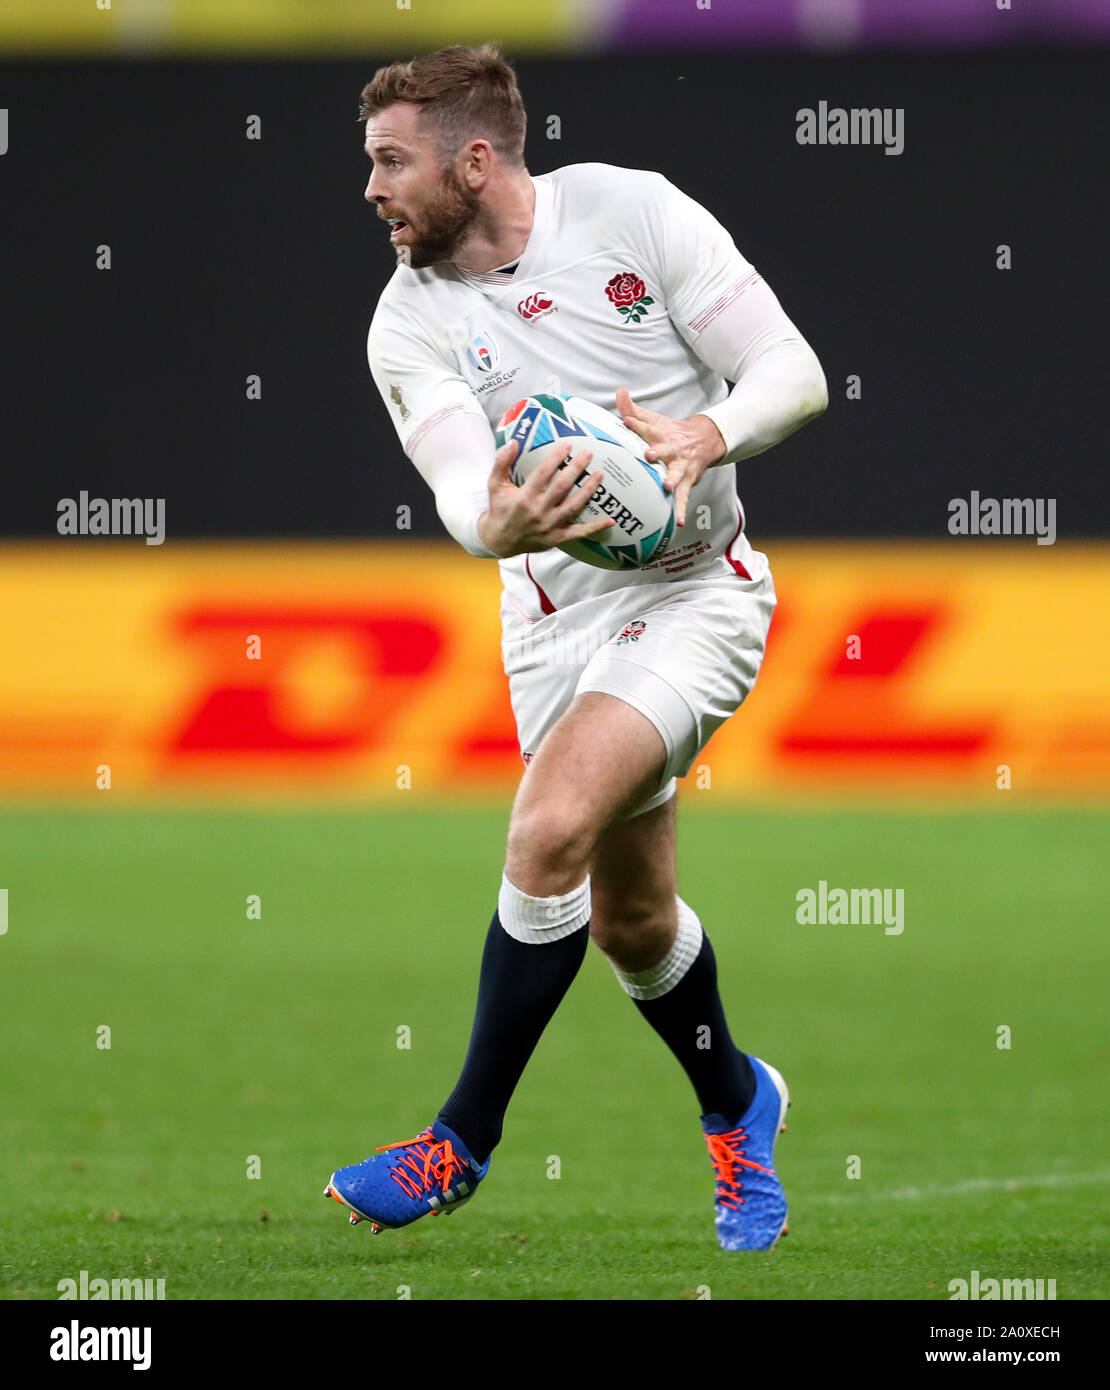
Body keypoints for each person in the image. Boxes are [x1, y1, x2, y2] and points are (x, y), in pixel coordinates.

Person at [325, 42, 827, 1251]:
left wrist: (708, 435)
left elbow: (794, 371)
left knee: (546, 829)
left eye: (391, 162)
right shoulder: (408, 322)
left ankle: (459, 1140)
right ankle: (738, 1101)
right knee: (630, 922)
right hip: (550, 616)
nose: (372, 188)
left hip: (695, 589)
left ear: (474, 162)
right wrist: (495, 523)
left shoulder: (631, 215)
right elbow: (460, 487)